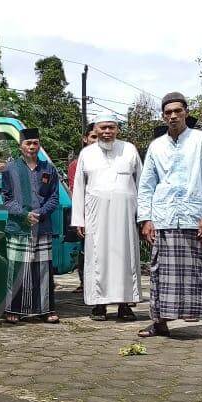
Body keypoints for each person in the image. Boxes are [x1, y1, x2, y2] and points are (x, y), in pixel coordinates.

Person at [137, 93, 202, 341]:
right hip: (163, 217)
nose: (173, 116)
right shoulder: (157, 146)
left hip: (194, 217)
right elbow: (146, 185)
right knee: (160, 273)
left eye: (177, 111)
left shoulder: (201, 140)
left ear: (186, 111)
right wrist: (146, 219)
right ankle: (160, 322)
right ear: (163, 115)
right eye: (168, 112)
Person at [71, 113, 142, 321]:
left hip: (125, 215)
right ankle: (99, 305)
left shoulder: (129, 149)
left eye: (111, 127)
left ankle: (125, 304)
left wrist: (144, 216)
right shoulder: (87, 153)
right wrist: (79, 219)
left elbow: (141, 182)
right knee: (97, 257)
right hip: (96, 215)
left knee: (125, 257)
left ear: (117, 129)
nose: (107, 132)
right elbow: (78, 188)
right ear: (96, 129)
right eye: (103, 128)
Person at [1, 128, 61, 323]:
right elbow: (7, 199)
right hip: (19, 226)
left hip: (42, 226)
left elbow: (54, 197)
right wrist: (24, 214)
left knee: (43, 269)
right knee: (17, 269)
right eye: (28, 143)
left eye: (35, 143)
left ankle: (46, 310)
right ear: (21, 146)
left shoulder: (48, 169)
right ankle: (13, 310)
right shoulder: (10, 169)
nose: (32, 147)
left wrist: (41, 213)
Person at [68, 122, 98, 295]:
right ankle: (86, 284)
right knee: (86, 251)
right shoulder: (76, 164)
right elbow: (75, 191)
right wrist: (81, 216)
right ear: (85, 139)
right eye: (93, 137)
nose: (96, 140)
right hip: (88, 214)